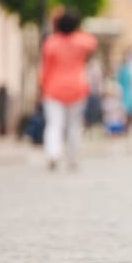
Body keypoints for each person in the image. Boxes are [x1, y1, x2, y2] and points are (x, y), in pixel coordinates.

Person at [39, 9, 97, 170]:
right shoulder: (81, 42)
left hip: (53, 88)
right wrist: (77, 29)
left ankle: (53, 153)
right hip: (77, 88)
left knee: (54, 124)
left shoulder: (51, 43)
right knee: (74, 125)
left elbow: (45, 68)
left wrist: (42, 86)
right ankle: (73, 158)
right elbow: (92, 41)